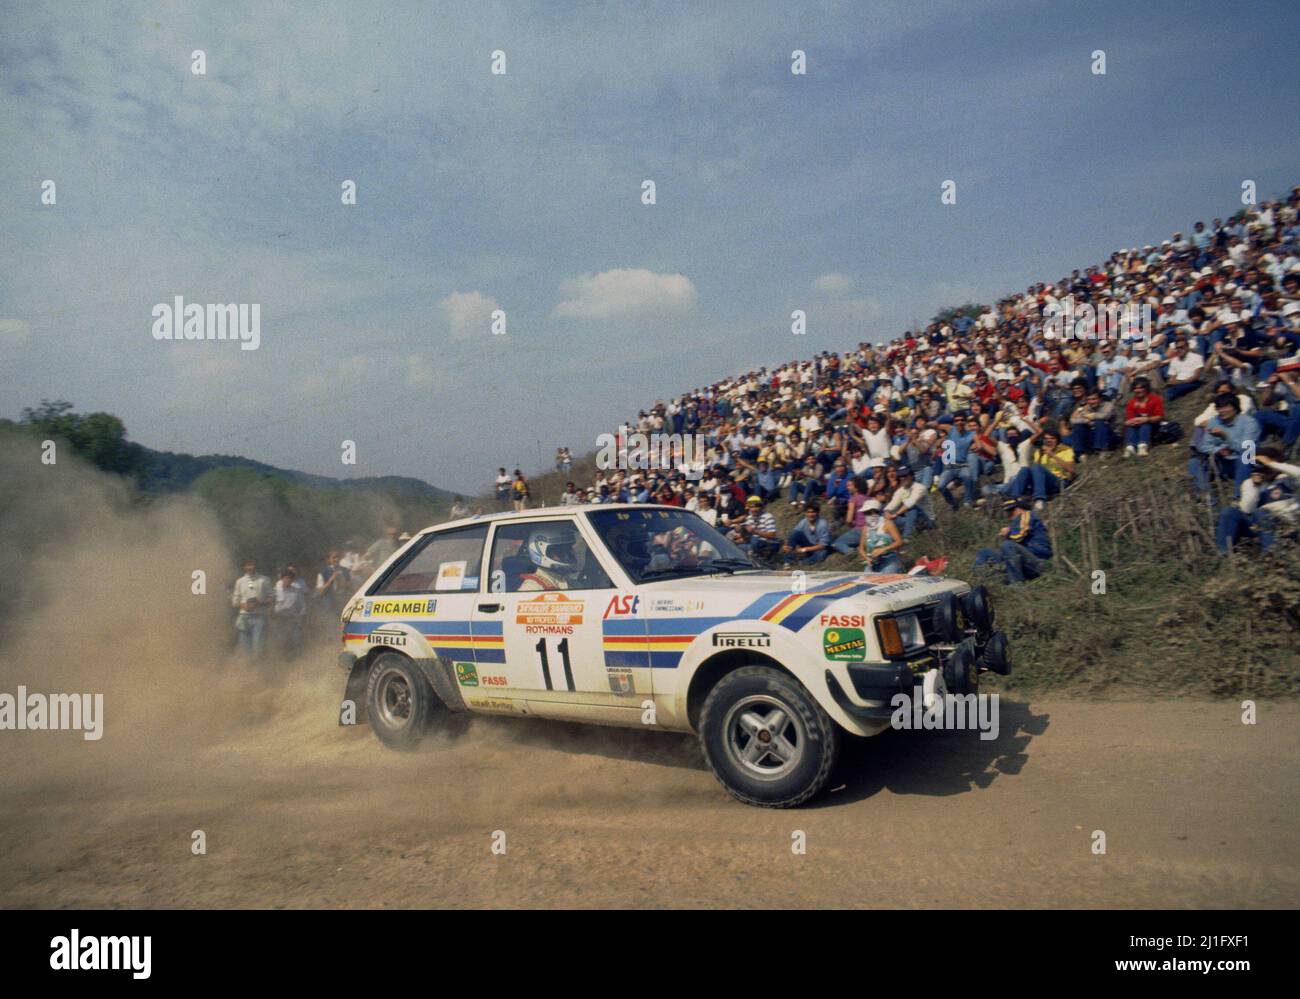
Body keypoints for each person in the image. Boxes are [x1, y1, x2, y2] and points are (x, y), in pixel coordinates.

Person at [1215, 448, 1299, 553]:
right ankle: (1225, 554)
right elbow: (1247, 509)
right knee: (1229, 512)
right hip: (1259, 523)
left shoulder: (1286, 480)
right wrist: (1254, 485)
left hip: (1285, 523)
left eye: (1262, 465)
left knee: (1262, 512)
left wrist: (1271, 463)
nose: (1261, 468)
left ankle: (1271, 554)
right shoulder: (1250, 483)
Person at [972, 498, 1052, 584]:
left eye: (1011, 511)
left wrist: (1008, 532)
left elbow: (1020, 536)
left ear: (1018, 509)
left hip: (1037, 561)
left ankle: (1016, 584)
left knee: (1007, 545)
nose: (1009, 516)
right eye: (1007, 513)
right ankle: (984, 580)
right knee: (984, 552)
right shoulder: (1015, 524)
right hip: (1023, 564)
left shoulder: (1027, 515)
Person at [518, 524, 583, 590]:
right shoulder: (532, 587)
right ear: (540, 551)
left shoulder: (569, 582)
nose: (566, 556)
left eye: (568, 550)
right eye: (559, 552)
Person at [231, 559, 273, 661]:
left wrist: (260, 603)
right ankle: (247, 672)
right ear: (244, 567)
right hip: (244, 617)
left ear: (256, 566)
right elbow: (234, 602)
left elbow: (271, 597)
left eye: (252, 565)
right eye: (248, 565)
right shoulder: (240, 581)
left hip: (259, 617)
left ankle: (257, 672)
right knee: (245, 649)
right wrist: (244, 605)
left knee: (258, 648)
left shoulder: (264, 580)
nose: (250, 568)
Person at [857, 499, 905, 573]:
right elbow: (861, 548)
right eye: (865, 513)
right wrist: (866, 557)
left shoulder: (888, 524)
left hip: (890, 559)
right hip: (873, 562)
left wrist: (883, 549)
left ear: (875, 512)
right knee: (866, 581)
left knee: (887, 579)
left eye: (867, 513)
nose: (866, 515)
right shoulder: (865, 528)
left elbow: (899, 542)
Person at [1122, 376, 1164, 457]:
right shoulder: (1132, 402)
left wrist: (1146, 419)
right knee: (1130, 426)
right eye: (1136, 388)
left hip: (1153, 425)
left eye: (1141, 388)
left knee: (1145, 424)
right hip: (1137, 425)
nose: (1138, 390)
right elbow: (1129, 417)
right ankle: (1130, 447)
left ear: (1146, 388)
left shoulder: (1155, 399)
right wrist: (1130, 422)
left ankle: (1143, 446)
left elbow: (1160, 416)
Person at [273, 567, 307, 656]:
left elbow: (302, 606)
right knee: (281, 641)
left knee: (296, 639)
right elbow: (271, 603)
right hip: (280, 618)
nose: (288, 580)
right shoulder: (276, 590)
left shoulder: (296, 591)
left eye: (290, 578)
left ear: (292, 580)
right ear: (282, 578)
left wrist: (302, 618)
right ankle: (281, 660)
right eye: (286, 577)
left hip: (293, 619)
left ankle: (297, 660)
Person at [315, 551, 353, 617]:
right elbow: (320, 591)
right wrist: (331, 579)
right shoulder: (323, 572)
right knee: (331, 621)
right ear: (328, 559)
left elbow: (349, 586)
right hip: (329, 602)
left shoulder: (344, 570)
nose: (336, 559)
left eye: (338, 557)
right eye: (334, 557)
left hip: (343, 600)